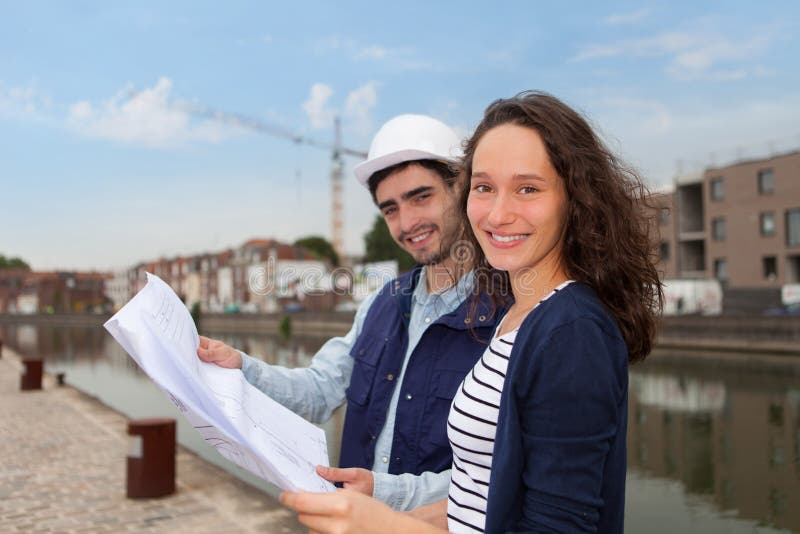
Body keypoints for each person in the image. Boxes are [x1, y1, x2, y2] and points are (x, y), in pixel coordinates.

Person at [280, 91, 663, 533]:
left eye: (527, 188)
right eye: (485, 187)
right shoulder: (519, 317)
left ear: (574, 199)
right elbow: (484, 498)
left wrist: (386, 527)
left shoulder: (570, 330)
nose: (499, 214)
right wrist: (386, 503)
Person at [197, 114, 501, 511]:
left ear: (461, 187)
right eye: (390, 209)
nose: (407, 222)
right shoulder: (383, 303)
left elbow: (497, 477)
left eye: (421, 196)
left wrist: (384, 494)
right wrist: (240, 367)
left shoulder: (510, 316)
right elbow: (320, 391)